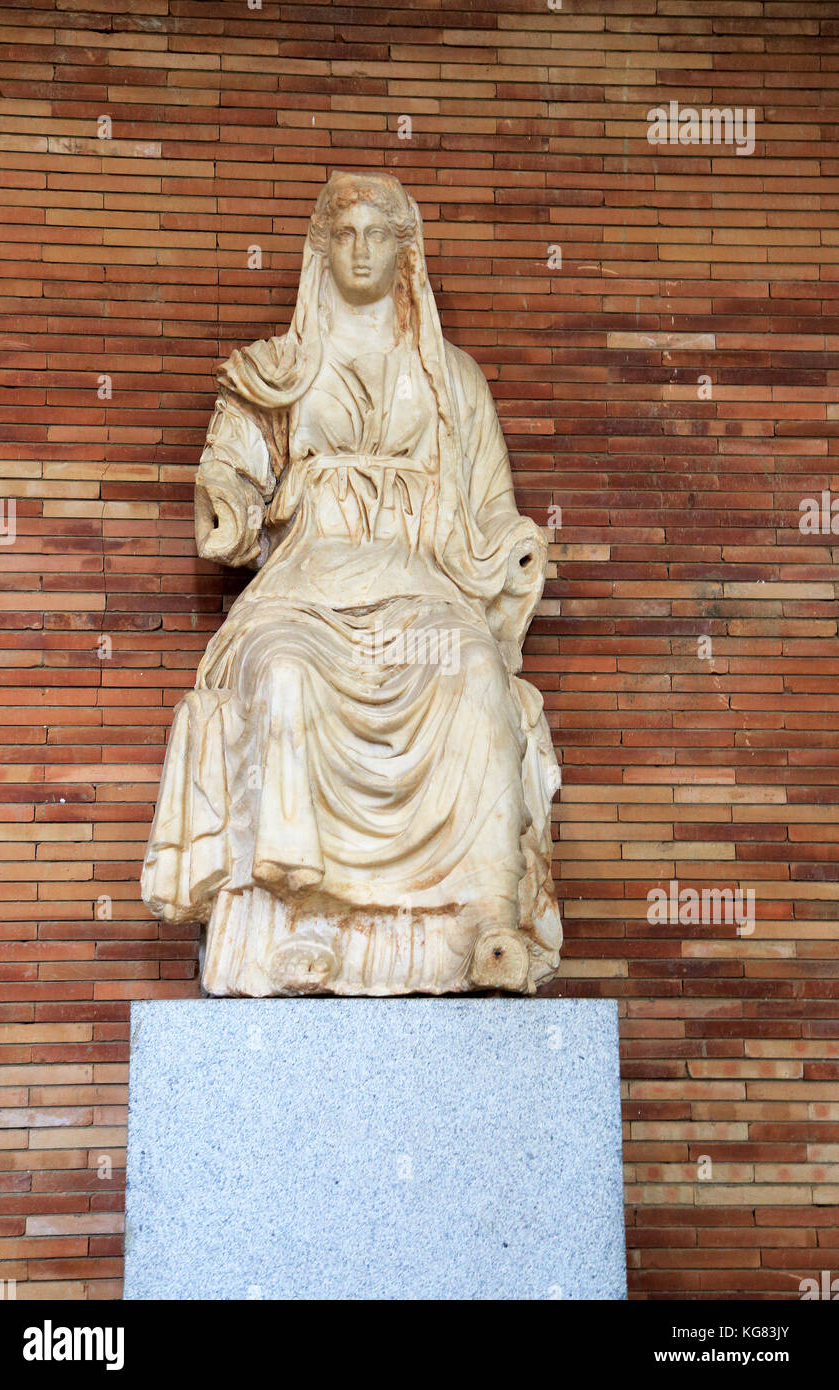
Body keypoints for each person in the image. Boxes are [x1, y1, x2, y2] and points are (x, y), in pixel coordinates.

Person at [141, 171, 562, 996]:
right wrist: (227, 496)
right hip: (304, 595)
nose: (361, 249)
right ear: (320, 247)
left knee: (476, 678)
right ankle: (304, 923)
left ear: (408, 253)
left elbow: (491, 510)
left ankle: (485, 922)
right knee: (284, 675)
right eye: (345, 233)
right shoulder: (278, 374)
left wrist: (513, 547)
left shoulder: (456, 384)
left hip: (421, 596)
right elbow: (231, 476)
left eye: (379, 234)